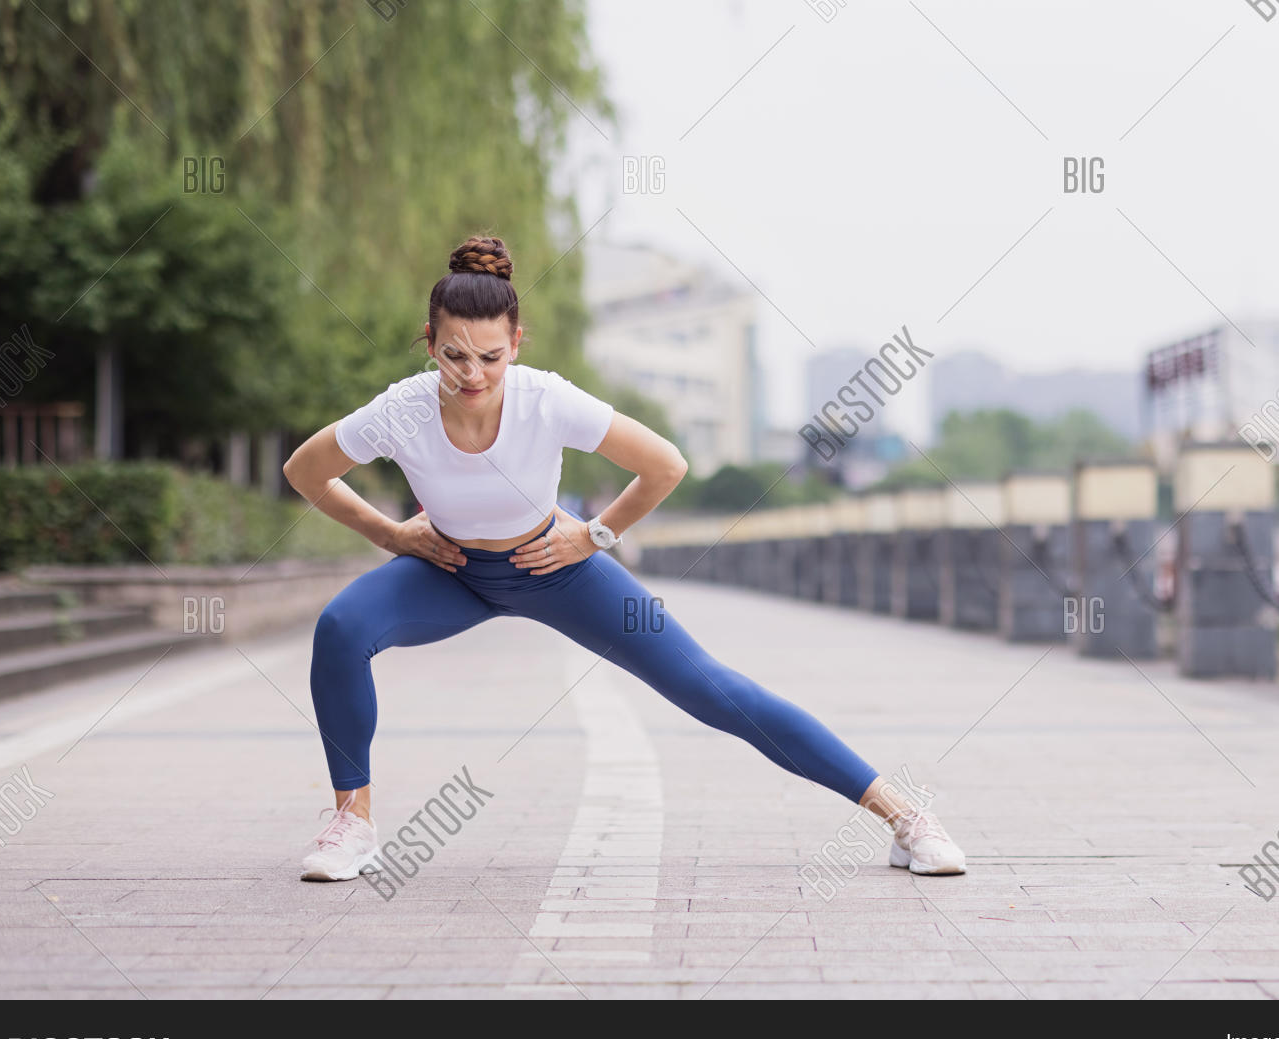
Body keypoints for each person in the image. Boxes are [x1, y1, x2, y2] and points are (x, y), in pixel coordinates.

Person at [281, 235, 966, 882]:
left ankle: (906, 818)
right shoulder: (403, 409)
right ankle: (353, 825)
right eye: (454, 355)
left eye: (490, 357)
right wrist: (392, 536)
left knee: (711, 690)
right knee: (341, 628)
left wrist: (594, 536)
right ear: (429, 343)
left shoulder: (544, 399)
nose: (472, 374)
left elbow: (665, 465)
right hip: (451, 574)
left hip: (559, 569)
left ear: (516, 344)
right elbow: (307, 470)